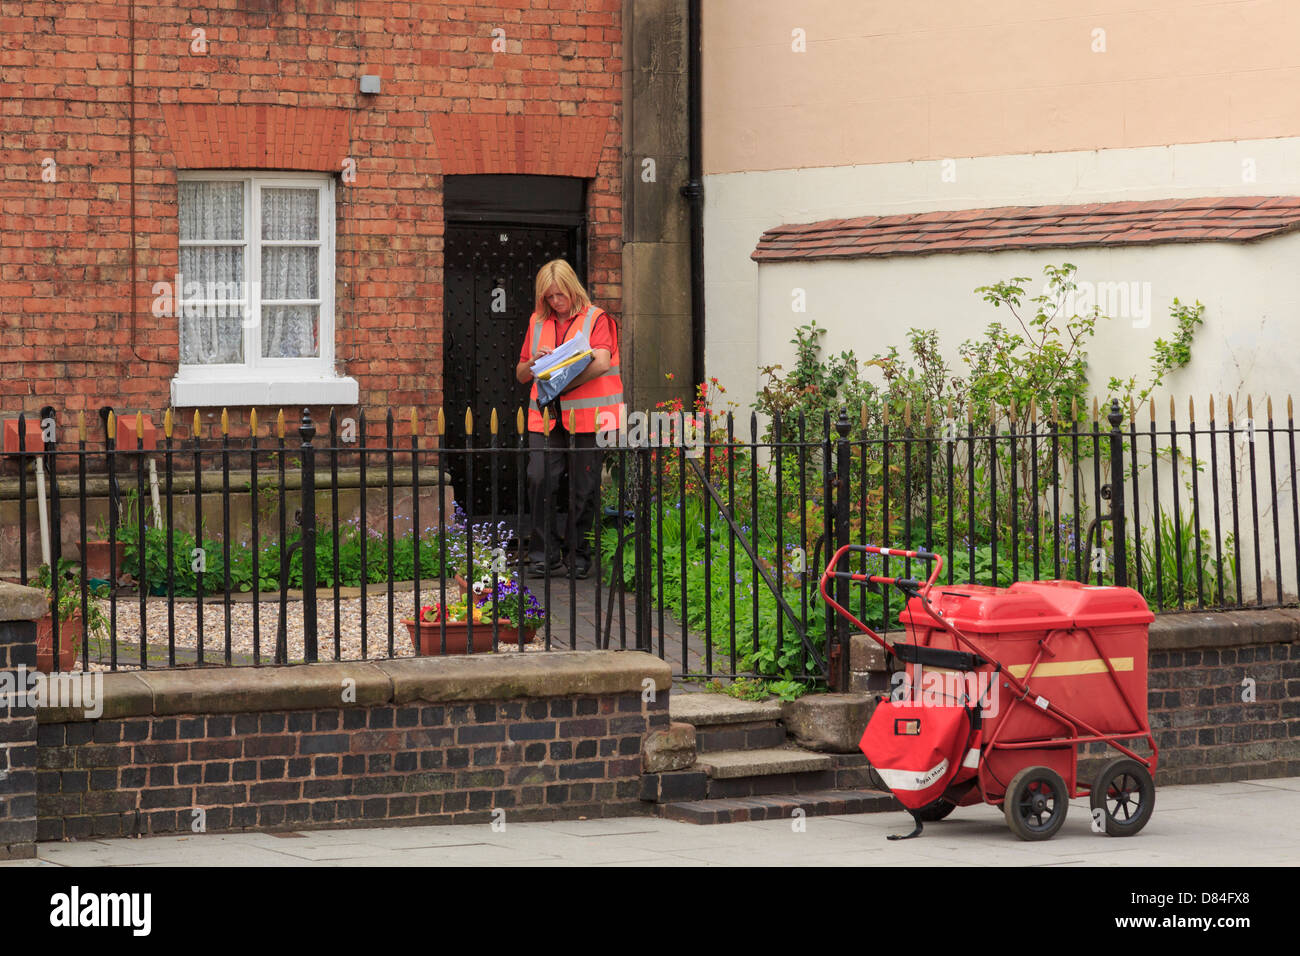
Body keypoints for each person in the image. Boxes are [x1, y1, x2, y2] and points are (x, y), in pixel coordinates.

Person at [515, 259, 624, 578]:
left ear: (572, 289)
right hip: (546, 417)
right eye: (548, 297)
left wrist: (560, 382)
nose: (555, 302)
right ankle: (543, 553)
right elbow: (521, 374)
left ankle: (578, 553)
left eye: (559, 294)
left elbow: (602, 362)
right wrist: (535, 362)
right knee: (539, 478)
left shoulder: (596, 319)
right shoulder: (537, 322)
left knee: (584, 486)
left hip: (589, 417)